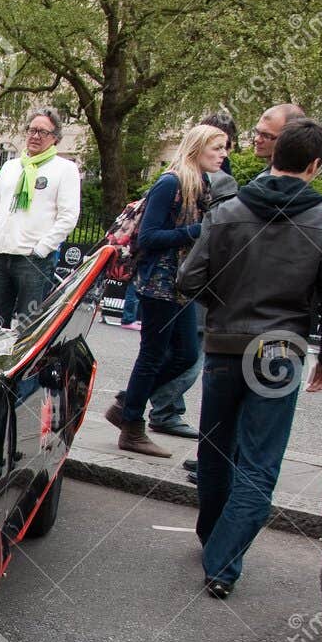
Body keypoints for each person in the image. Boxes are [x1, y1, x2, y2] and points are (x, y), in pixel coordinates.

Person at [177, 118, 322, 597]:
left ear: (273, 154)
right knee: (260, 463)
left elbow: (189, 279)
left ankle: (213, 539)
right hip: (281, 350)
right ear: (314, 165)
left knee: (215, 449)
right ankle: (222, 561)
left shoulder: (229, 210)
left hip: (225, 342)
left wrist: (223, 307)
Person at [105, 123, 227, 457]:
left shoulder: (200, 185)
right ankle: (131, 427)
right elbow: (149, 237)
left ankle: (128, 403)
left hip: (183, 285)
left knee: (186, 354)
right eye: (217, 148)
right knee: (153, 354)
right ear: (197, 148)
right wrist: (195, 230)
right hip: (158, 283)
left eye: (224, 148)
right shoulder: (171, 183)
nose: (223, 154)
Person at [0, 107, 80, 328]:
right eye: (32, 130)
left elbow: (68, 216)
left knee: (29, 327)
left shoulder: (65, 169)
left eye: (43, 132)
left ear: (55, 138)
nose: (35, 136)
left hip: (33, 260)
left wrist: (41, 249)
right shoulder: (10, 166)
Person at [250, 103, 306, 176]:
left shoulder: (273, 182)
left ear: (290, 139)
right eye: (257, 132)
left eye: (267, 136)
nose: (257, 139)